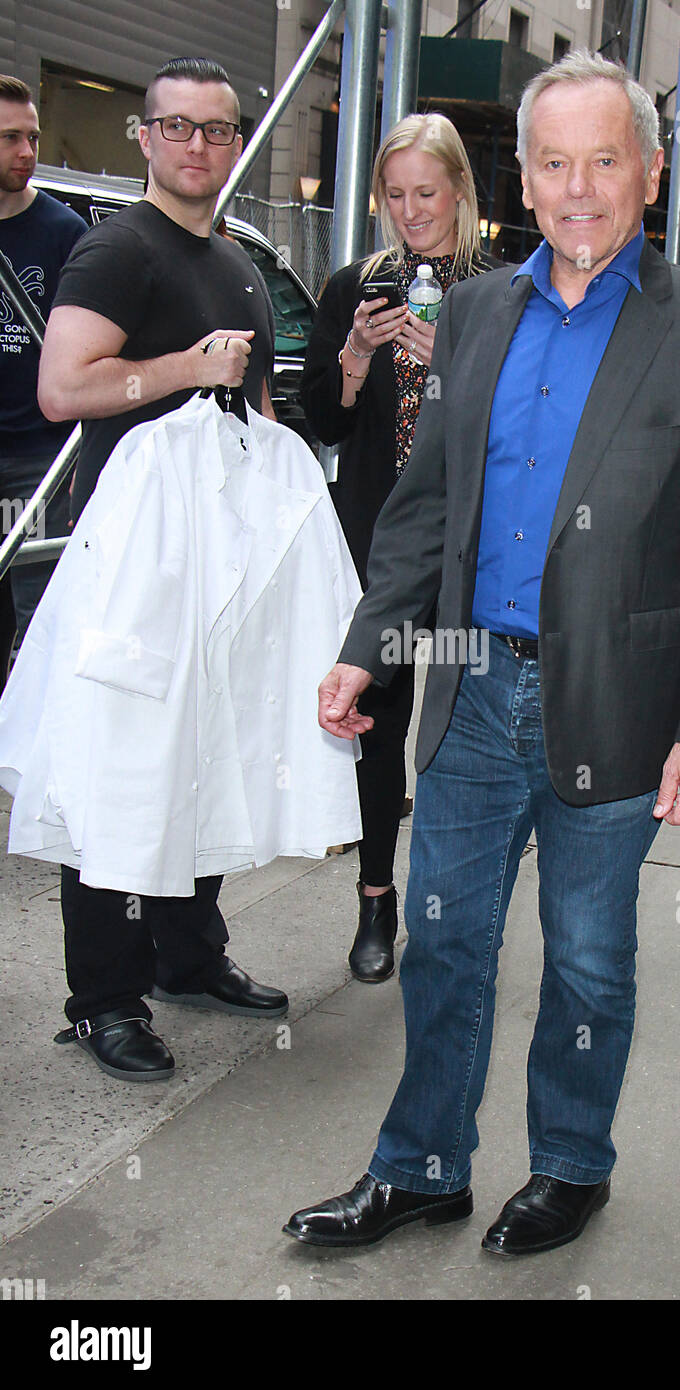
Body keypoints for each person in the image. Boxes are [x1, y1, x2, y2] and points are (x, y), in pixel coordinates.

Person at [283, 49, 680, 1256]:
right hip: (470, 685)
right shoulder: (480, 311)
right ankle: (423, 1166)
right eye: (550, 162)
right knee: (443, 938)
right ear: (522, 176)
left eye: (602, 160)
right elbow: (425, 506)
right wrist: (367, 646)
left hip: (614, 702)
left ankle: (569, 1163)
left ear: (649, 173)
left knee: (589, 960)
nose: (574, 188)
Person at [35, 56, 288, 1083]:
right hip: (133, 567)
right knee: (119, 772)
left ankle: (189, 954)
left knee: (203, 749)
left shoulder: (230, 258)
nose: (196, 145)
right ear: (144, 136)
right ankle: (103, 998)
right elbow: (63, 386)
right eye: (176, 127)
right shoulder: (117, 249)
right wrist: (186, 367)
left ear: (234, 142)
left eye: (216, 130)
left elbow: (258, 412)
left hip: (217, 564)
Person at [300, 113, 496, 984]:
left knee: (461, 731)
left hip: (472, 549)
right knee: (375, 725)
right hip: (376, 543)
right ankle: (374, 899)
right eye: (395, 194)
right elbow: (323, 421)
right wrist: (351, 358)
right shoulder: (357, 285)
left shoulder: (501, 289)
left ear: (459, 189)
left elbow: (522, 427)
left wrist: (451, 371)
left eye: (427, 191)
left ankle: (448, 906)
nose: (412, 210)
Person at [0, 75, 86, 638]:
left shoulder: (64, 232)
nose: (27, 152)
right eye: (10, 137)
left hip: (41, 461)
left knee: (38, 626)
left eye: (32, 136)